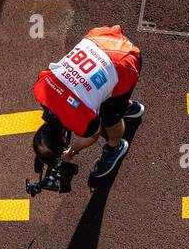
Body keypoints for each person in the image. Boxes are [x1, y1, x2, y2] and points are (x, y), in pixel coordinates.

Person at [33, 25, 144, 182]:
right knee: (103, 94)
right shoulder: (40, 88)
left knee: (109, 119)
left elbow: (94, 134)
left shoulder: (81, 121)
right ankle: (125, 105)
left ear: (64, 139)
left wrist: (71, 152)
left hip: (126, 63)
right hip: (99, 37)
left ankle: (116, 147)